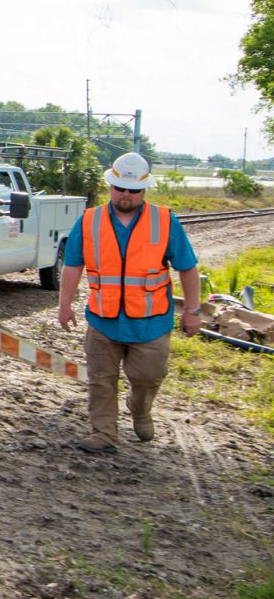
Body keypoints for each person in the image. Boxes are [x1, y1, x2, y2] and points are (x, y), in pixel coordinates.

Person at [57, 152, 202, 455]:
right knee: (100, 381)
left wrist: (192, 311)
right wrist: (65, 304)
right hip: (103, 318)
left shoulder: (164, 220)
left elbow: (187, 268)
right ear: (110, 186)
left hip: (151, 322)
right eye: (120, 188)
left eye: (133, 190)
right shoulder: (90, 220)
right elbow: (72, 265)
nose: (126, 194)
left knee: (148, 377)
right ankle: (104, 434)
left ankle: (140, 408)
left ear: (144, 189)